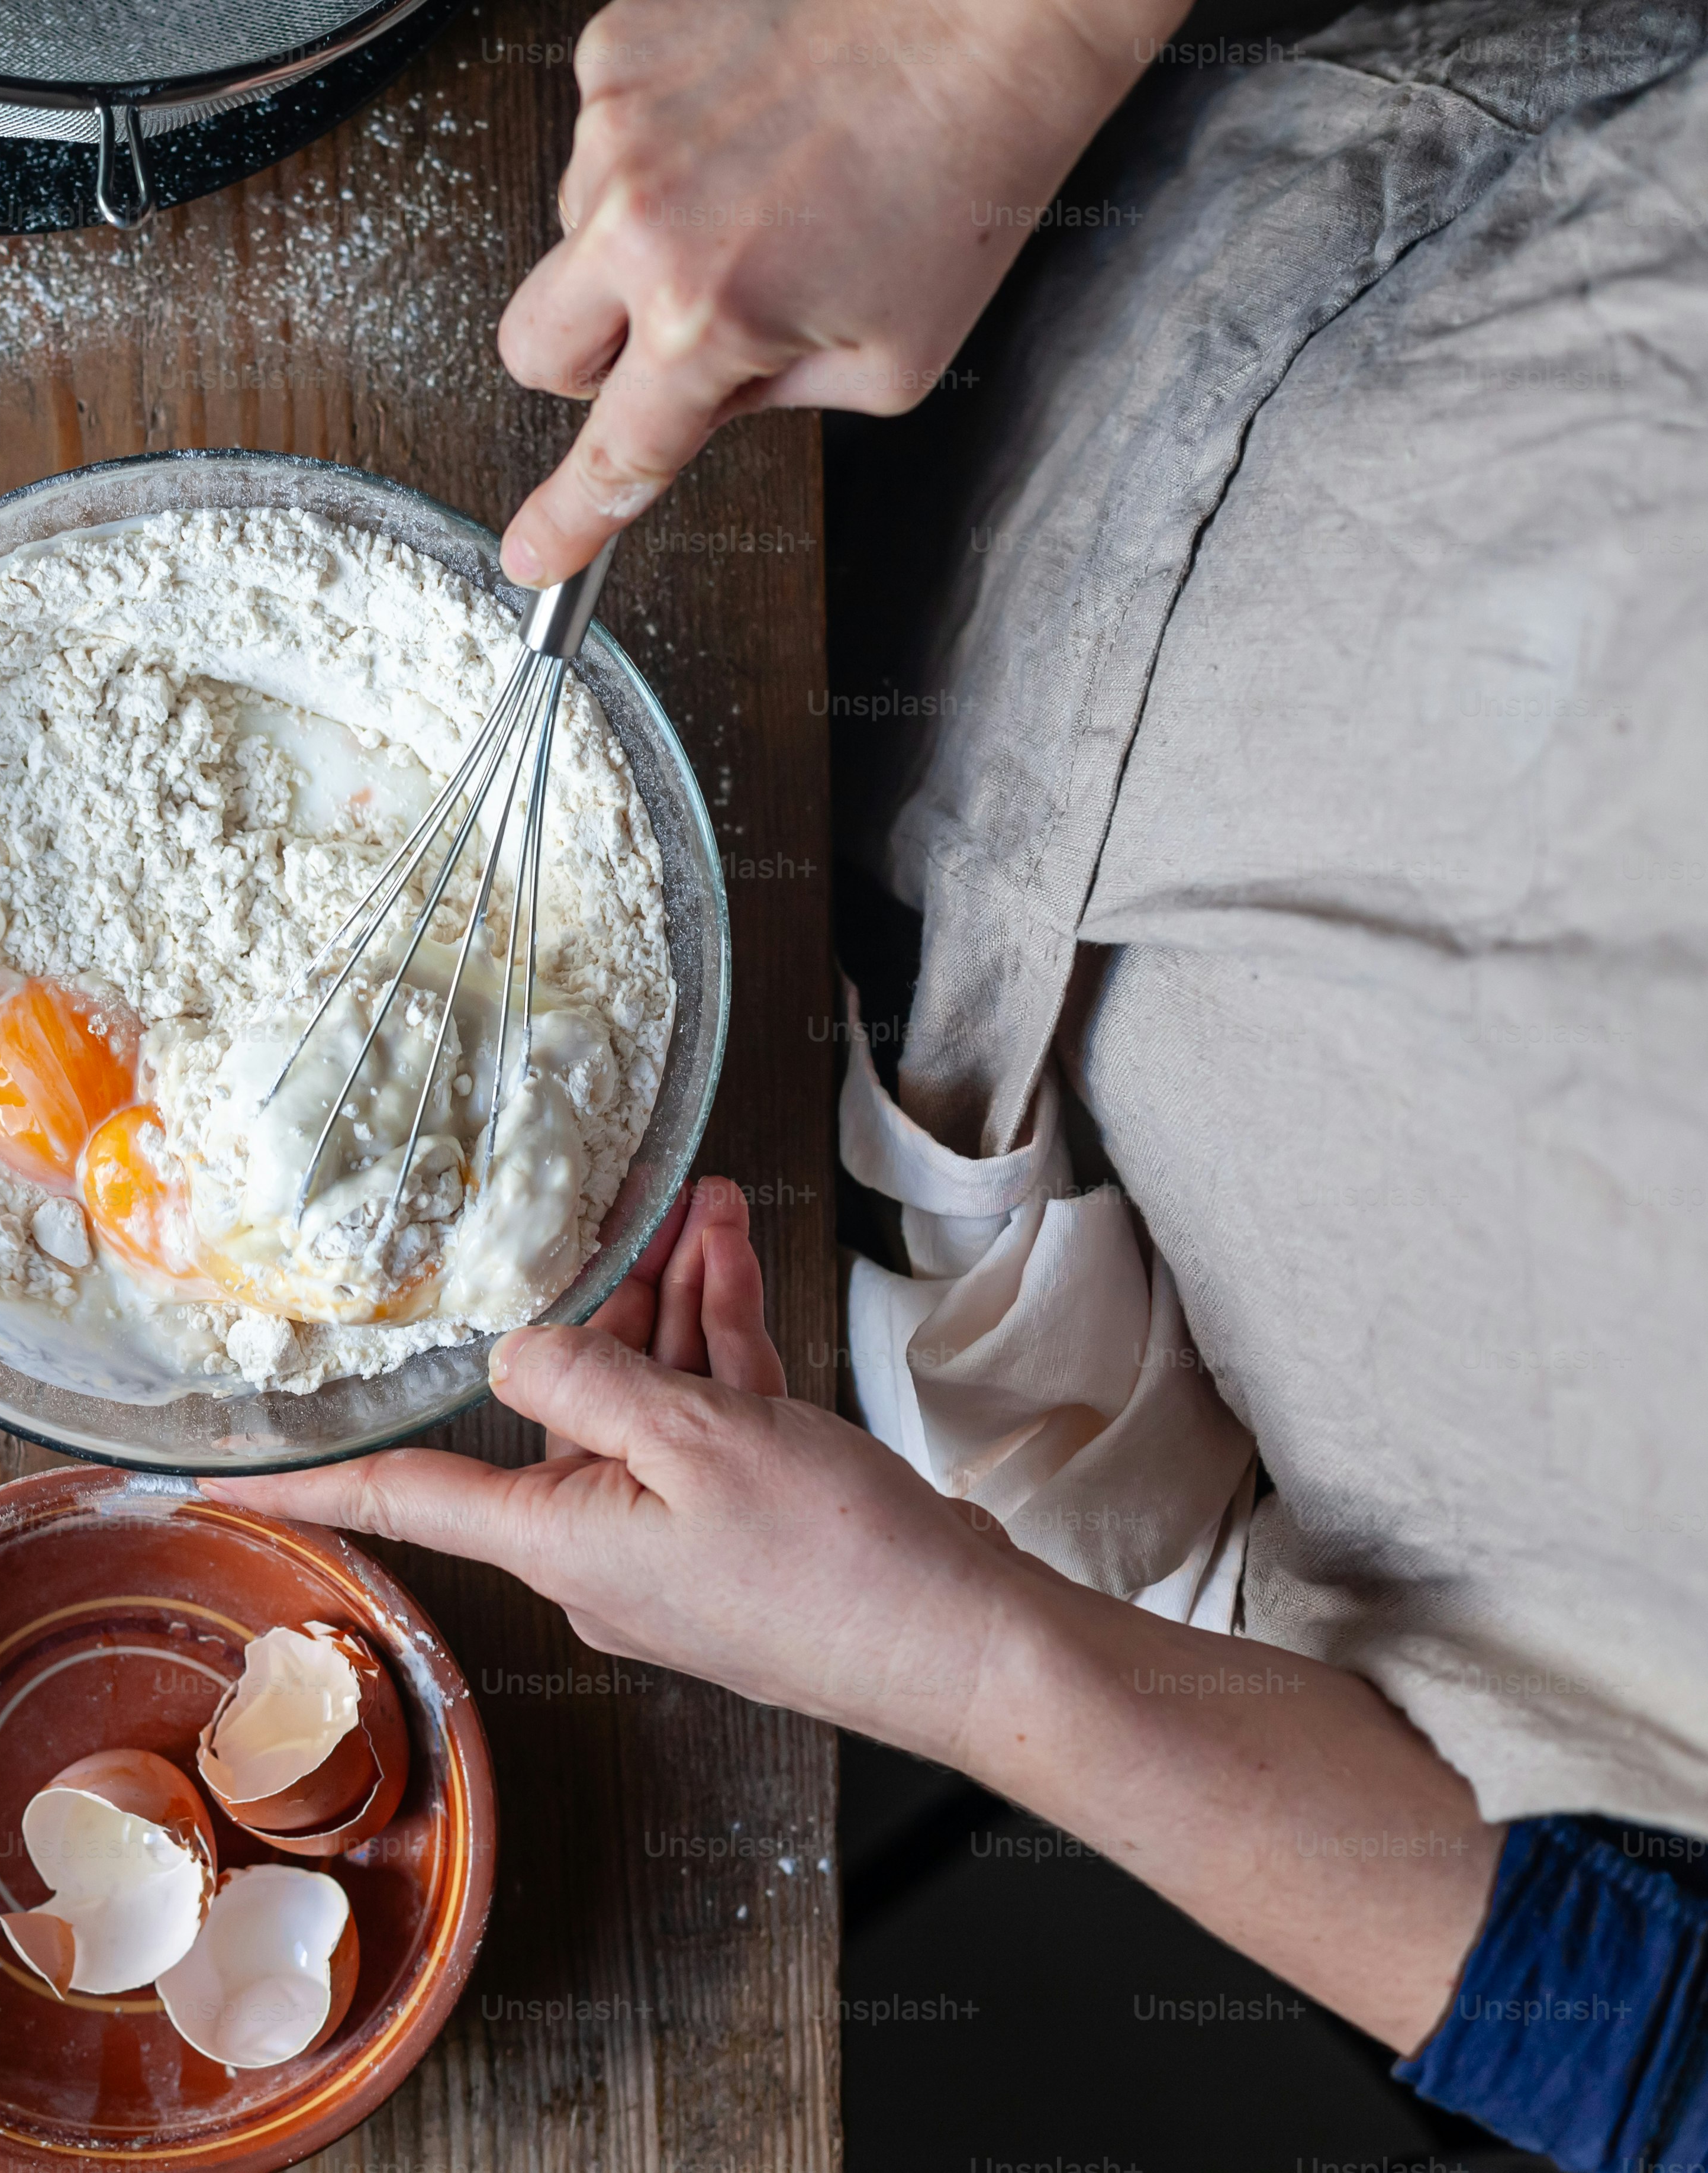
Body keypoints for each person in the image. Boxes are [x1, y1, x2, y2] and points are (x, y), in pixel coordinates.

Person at [214, 0, 1708, 2164]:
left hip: (1049, 1163)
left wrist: (961, 1662)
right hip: (1318, 226)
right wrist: (984, 41)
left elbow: (1640, 2045)